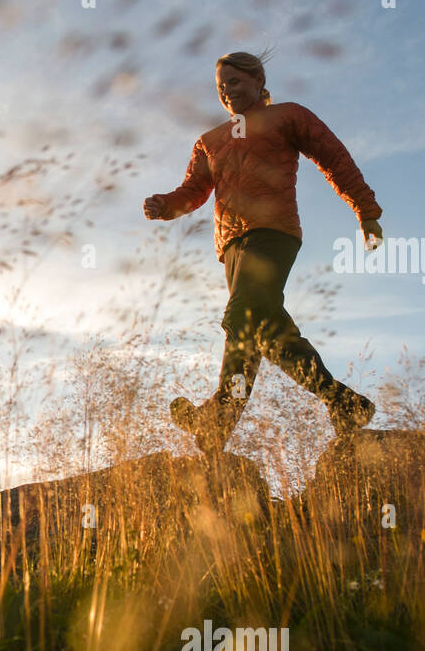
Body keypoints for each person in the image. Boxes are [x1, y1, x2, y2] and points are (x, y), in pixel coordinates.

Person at [144, 50, 382, 453]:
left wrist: (366, 211)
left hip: (273, 233)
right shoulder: (209, 141)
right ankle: (345, 402)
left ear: (258, 81)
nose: (227, 92)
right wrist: (165, 205)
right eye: (221, 87)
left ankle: (219, 417)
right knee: (265, 332)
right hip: (231, 247)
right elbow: (194, 190)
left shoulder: (287, 116)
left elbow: (334, 159)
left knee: (241, 317)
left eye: (235, 82)